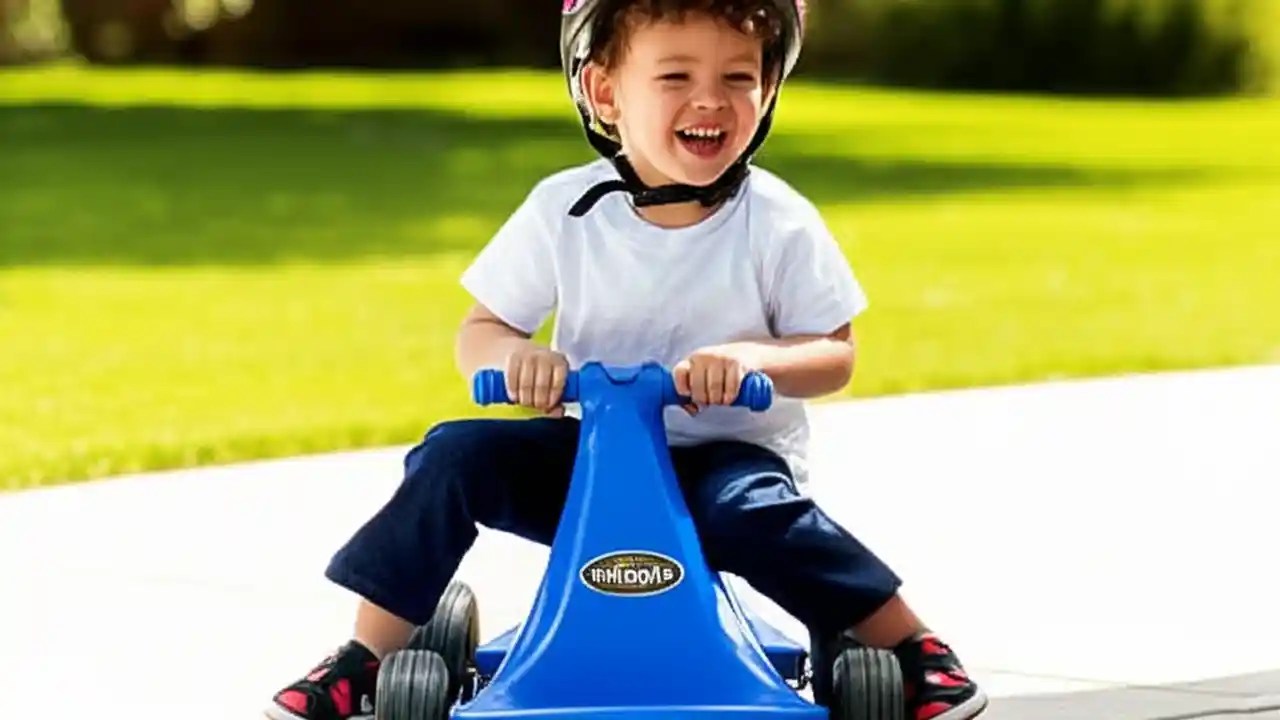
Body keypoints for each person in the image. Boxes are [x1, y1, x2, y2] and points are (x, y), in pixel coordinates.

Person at [263, 1, 988, 719]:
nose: (711, 99)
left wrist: (750, 359)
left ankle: (908, 646)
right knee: (454, 456)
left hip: (723, 459)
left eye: (739, 77)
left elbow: (834, 352)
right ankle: (368, 653)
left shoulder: (777, 219)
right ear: (605, 91)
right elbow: (481, 327)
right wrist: (521, 358)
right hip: (589, 463)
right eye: (676, 76)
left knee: (751, 512)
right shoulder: (562, 210)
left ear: (768, 90)